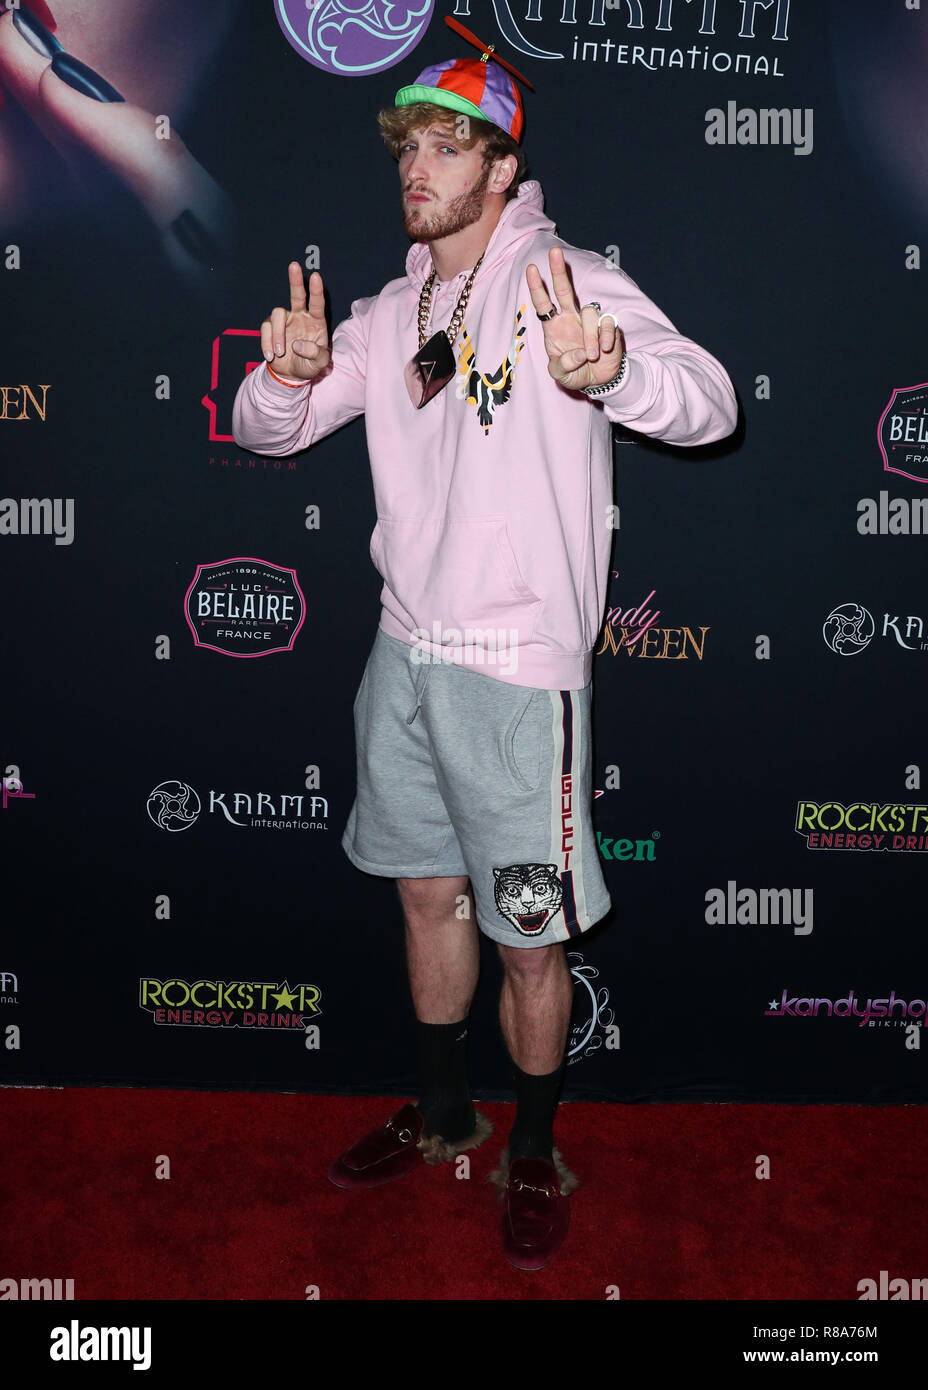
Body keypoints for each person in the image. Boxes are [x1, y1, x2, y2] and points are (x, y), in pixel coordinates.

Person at [231, 23, 737, 1271]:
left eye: (449, 144)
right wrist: (284, 381)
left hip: (516, 675)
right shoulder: (393, 306)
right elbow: (266, 433)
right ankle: (447, 1110)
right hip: (403, 657)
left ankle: (533, 1144)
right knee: (422, 892)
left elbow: (710, 399)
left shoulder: (559, 276)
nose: (420, 164)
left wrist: (614, 370)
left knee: (528, 933)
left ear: (502, 168)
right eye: (410, 142)